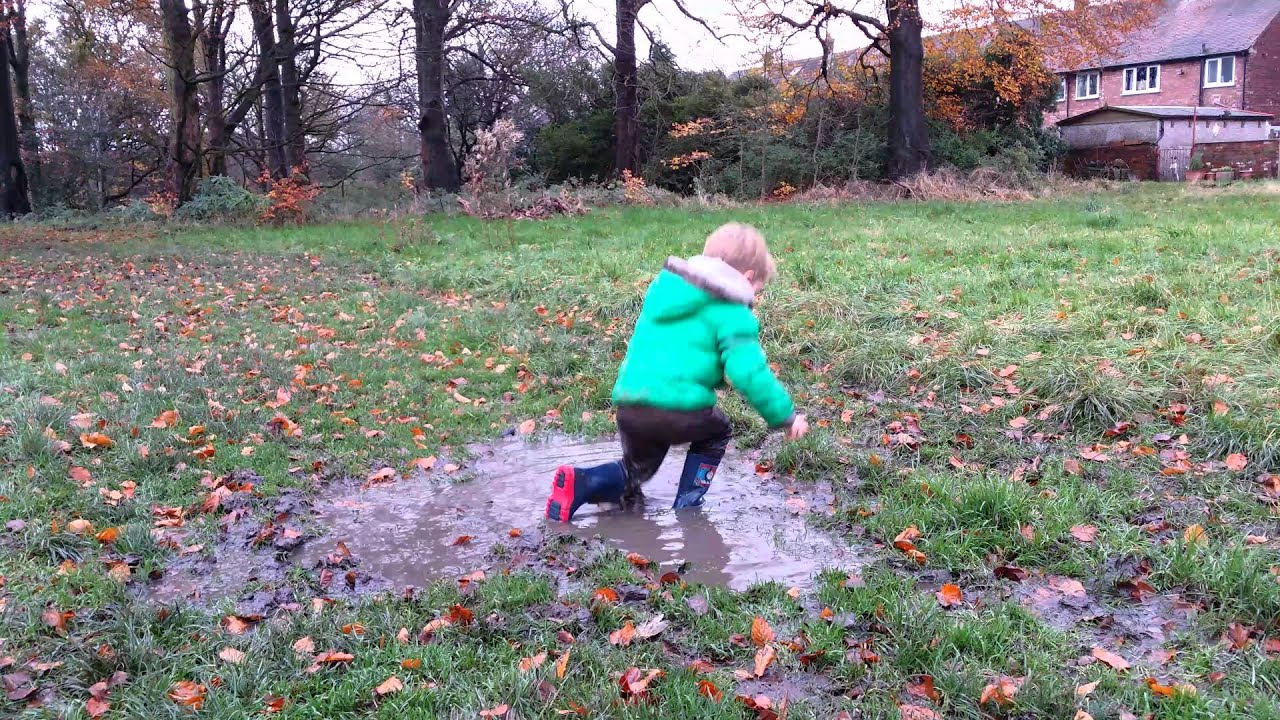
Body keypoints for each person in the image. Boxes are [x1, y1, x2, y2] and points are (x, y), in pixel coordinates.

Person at [545, 223, 808, 522]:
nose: (754, 298)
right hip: (679, 409)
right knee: (718, 432)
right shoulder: (732, 310)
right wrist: (785, 417)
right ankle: (688, 509)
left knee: (636, 470)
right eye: (756, 290)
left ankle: (583, 483)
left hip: (631, 403)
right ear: (746, 278)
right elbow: (750, 373)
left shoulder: (666, 289)